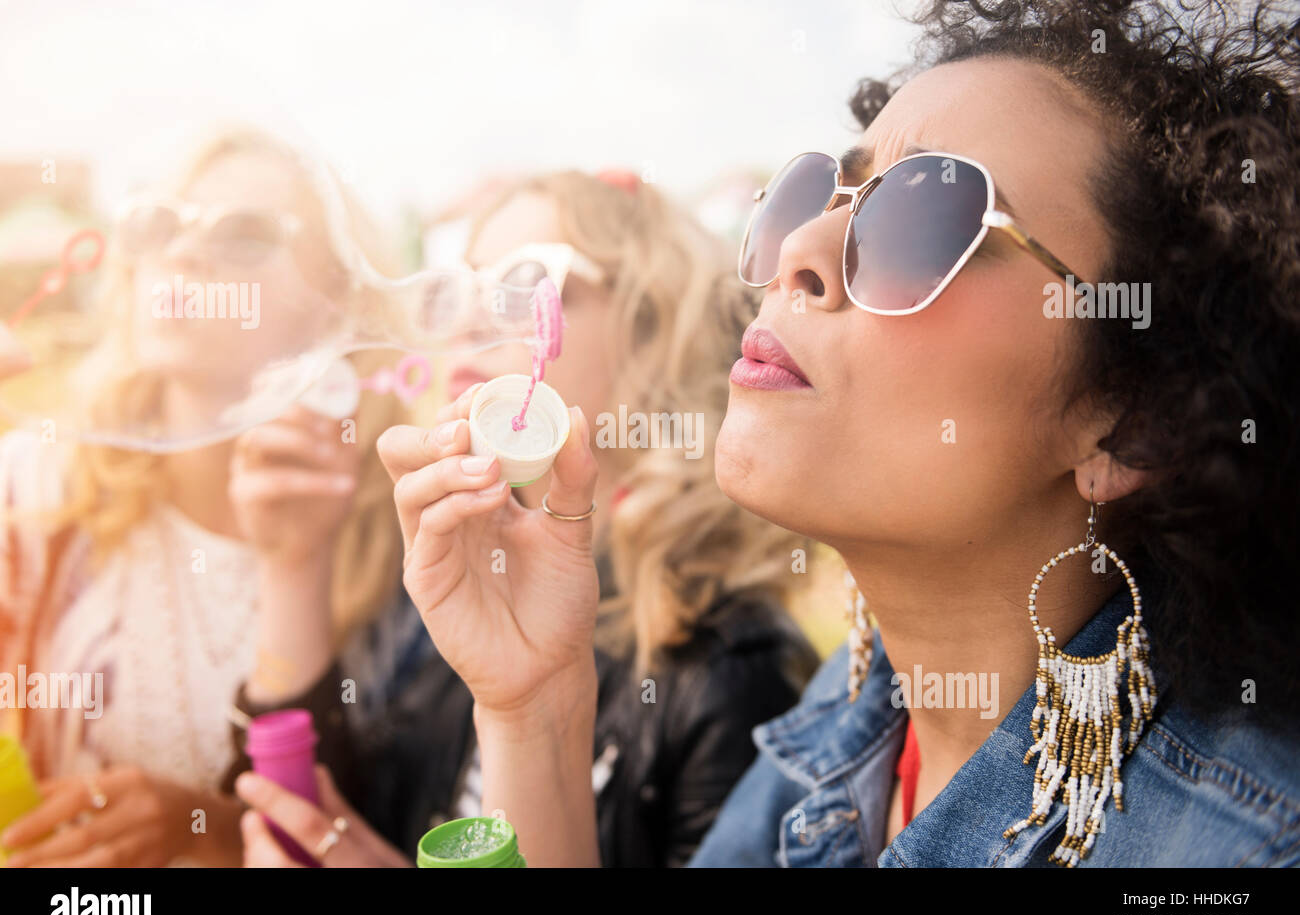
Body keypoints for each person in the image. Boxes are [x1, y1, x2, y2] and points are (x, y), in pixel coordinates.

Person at [372, 0, 1300, 867]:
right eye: (819, 196)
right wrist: (534, 705)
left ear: (1132, 423)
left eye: (927, 216)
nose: (799, 254)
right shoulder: (848, 723)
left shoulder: (1237, 850)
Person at [235, 170, 821, 867]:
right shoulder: (466, 573)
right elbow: (307, 817)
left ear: (654, 332)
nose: (468, 322)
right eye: (462, 288)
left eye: (523, 281)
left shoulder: (734, 676)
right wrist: (294, 563)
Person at [0, 128, 406, 866]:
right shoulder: (31, 493)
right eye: (161, 225)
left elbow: (356, 836)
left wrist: (207, 825)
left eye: (245, 235)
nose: (183, 256)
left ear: (337, 306)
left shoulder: (396, 544)